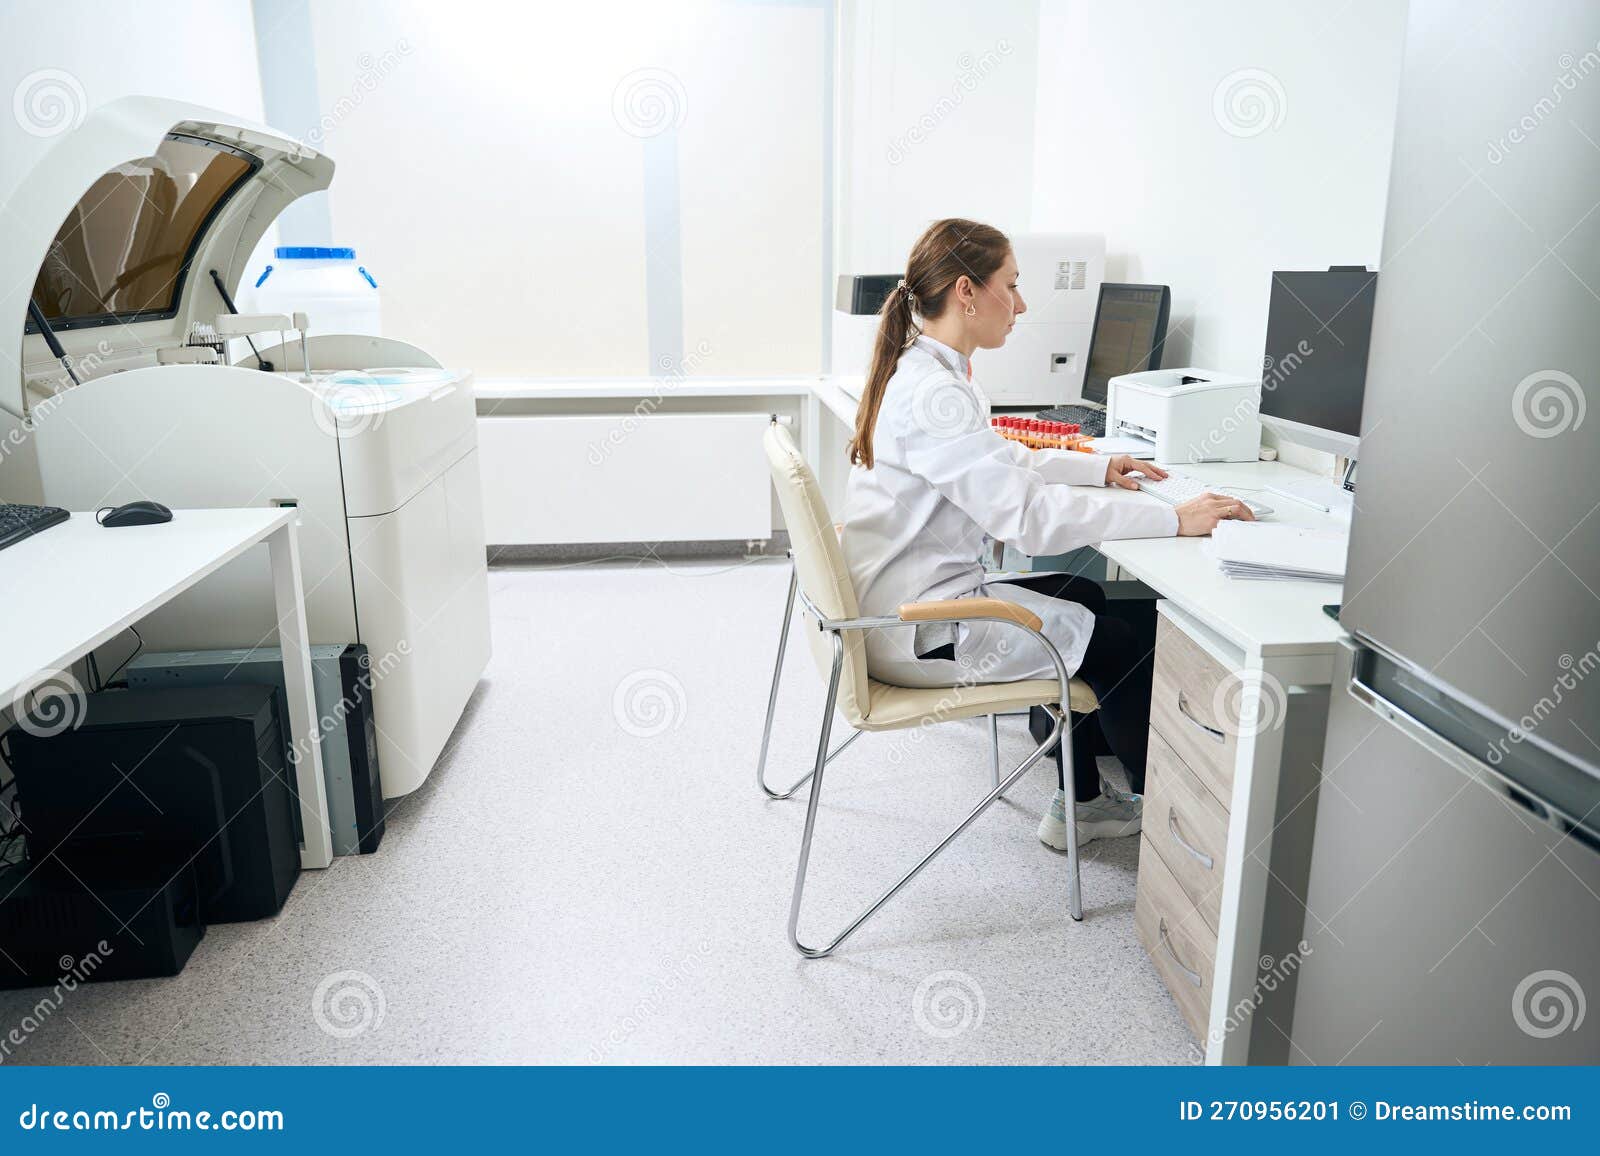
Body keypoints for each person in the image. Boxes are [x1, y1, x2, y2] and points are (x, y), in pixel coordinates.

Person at [838, 218, 1252, 849]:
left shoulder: (931, 371)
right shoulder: (933, 392)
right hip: (918, 631)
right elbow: (1024, 516)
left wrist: (1098, 467)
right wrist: (1174, 518)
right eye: (1013, 284)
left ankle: (1081, 801)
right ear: (967, 292)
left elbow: (1003, 463)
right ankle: (1176, 824)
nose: (1023, 304)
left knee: (1083, 597)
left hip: (908, 608)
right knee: (1124, 642)